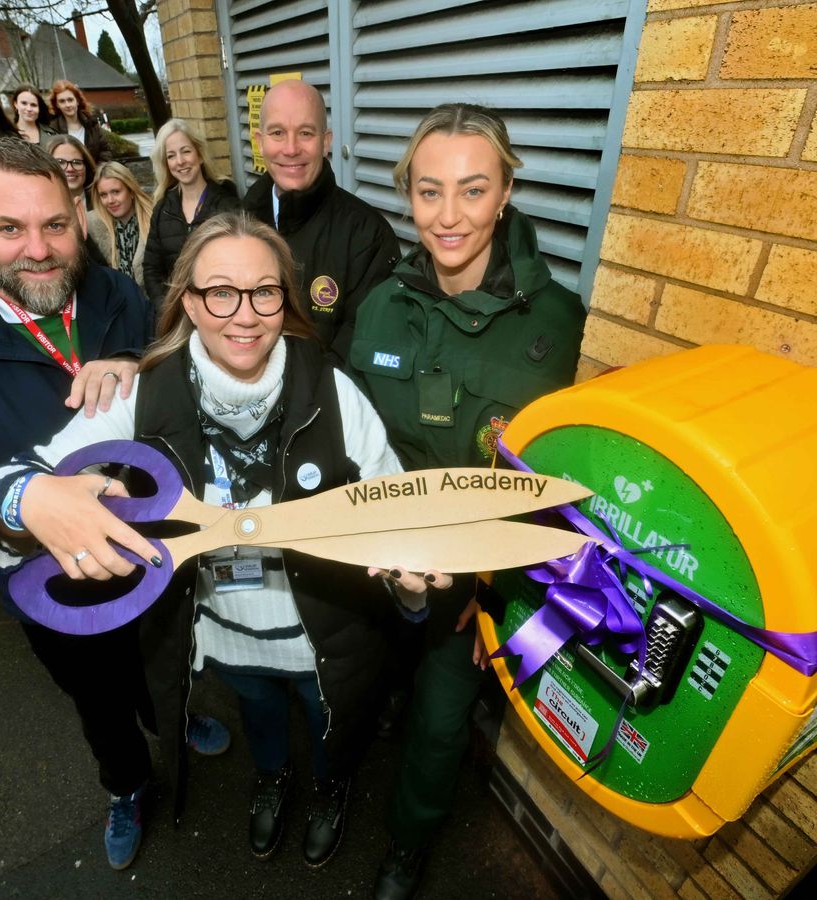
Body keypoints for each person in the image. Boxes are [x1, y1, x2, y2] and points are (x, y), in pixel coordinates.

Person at [0, 211, 434, 870]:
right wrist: (27, 499)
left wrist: (406, 575)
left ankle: (332, 788)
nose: (243, 315)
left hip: (328, 631)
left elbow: (391, 504)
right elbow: (19, 478)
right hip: (227, 626)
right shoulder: (140, 392)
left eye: (264, 292)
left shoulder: (332, 390)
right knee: (259, 713)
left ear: (286, 299)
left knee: (335, 716)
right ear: (188, 300)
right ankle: (272, 777)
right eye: (220, 292)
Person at [0, 137, 226, 872]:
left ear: (79, 218)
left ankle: (173, 715)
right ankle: (128, 784)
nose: (38, 250)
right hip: (50, 585)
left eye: (56, 226)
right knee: (97, 696)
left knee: (160, 657)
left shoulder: (117, 294)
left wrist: (137, 363)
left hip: (150, 543)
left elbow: (171, 375)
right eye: (9, 228)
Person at [348, 103, 586, 900]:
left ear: (506, 192)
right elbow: (358, 446)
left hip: (474, 584)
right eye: (428, 191)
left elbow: (555, 484)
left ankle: (410, 842)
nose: (449, 217)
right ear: (406, 196)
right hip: (381, 562)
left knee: (442, 724)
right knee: (368, 681)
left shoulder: (556, 325)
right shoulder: (381, 306)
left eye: (473, 190)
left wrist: (499, 595)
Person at [245, 79, 399, 365]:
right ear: (259, 141)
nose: (291, 149)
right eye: (277, 132)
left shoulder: (367, 236)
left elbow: (363, 353)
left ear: (326, 142)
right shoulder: (236, 225)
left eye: (305, 133)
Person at [142, 119, 240, 308]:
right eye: (171, 156)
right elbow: (151, 268)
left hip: (219, 310)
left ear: (200, 155)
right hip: (176, 314)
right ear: (166, 163)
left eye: (186, 151)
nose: (180, 162)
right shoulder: (163, 209)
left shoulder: (228, 205)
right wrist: (166, 308)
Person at [86, 161, 153, 290]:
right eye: (103, 195)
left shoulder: (154, 219)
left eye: (116, 192)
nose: (110, 200)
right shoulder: (92, 225)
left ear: (131, 191)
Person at [47, 79, 111, 164]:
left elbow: (105, 151)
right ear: (57, 105)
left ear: (77, 101)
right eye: (62, 101)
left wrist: (98, 172)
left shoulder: (92, 124)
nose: (67, 105)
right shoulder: (52, 129)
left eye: (70, 100)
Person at [47, 135, 96, 209]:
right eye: (60, 162)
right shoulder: (38, 207)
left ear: (86, 166)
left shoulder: (104, 202)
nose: (70, 169)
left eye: (76, 162)